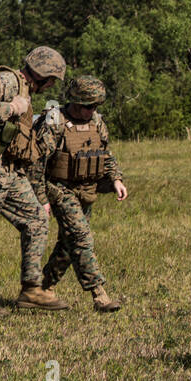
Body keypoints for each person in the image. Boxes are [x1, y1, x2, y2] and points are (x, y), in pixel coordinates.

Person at [0, 45, 69, 316]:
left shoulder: (25, 89)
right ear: (42, 74)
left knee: (36, 219)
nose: (52, 85)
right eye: (52, 79)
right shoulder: (8, 81)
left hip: (8, 171)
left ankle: (31, 289)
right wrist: (11, 108)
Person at [33, 75, 126, 312]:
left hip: (87, 189)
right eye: (87, 106)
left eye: (95, 106)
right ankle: (99, 295)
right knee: (82, 237)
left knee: (67, 243)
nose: (91, 111)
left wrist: (116, 178)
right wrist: (42, 198)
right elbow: (36, 163)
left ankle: (43, 288)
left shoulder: (97, 122)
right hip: (60, 189)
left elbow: (106, 153)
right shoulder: (55, 122)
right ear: (75, 102)